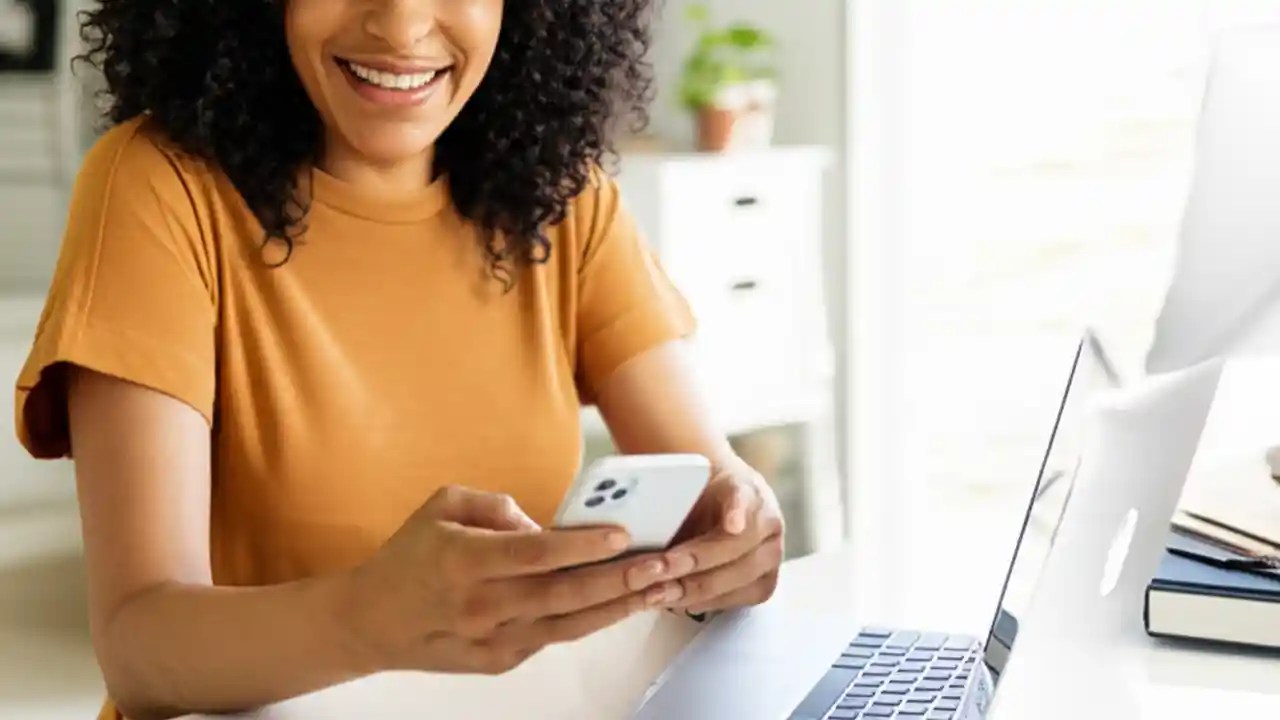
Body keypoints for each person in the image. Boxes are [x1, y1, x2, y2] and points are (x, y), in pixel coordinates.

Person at [12, 1, 786, 719]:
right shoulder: (156, 188)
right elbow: (137, 646)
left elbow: (710, 477)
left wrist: (737, 526)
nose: (402, 25)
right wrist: (366, 618)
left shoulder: (561, 196)